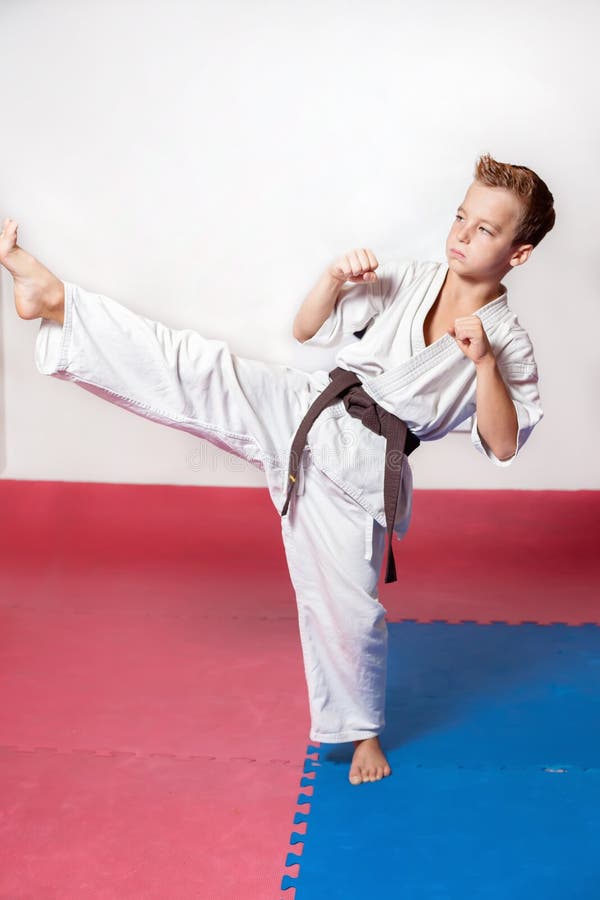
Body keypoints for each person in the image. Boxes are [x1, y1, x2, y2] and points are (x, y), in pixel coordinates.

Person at [0, 152, 555, 786]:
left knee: (348, 605)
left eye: (484, 228)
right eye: (461, 216)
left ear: (518, 253)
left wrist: (483, 365)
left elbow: (504, 444)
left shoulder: (505, 338)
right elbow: (305, 329)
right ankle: (57, 301)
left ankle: (361, 730)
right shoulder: (410, 277)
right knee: (199, 367)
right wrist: (332, 279)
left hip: (362, 472)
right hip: (309, 406)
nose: (461, 234)